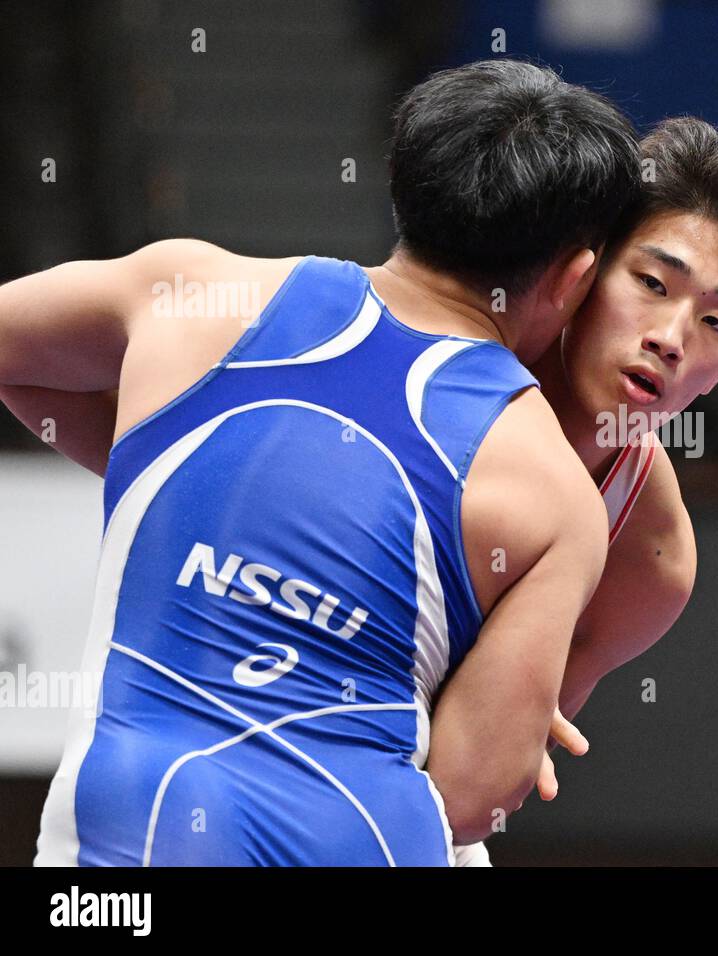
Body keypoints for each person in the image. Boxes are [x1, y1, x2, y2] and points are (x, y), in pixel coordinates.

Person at [0, 58, 640, 865]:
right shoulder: (553, 490)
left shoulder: (192, 290)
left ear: (403, 185)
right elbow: (473, 798)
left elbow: (13, 356)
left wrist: (151, 474)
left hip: (133, 826)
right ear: (577, 276)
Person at [462, 116, 718, 865]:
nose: (673, 338)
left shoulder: (650, 554)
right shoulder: (453, 360)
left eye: (716, 323)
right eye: (653, 284)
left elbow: (486, 779)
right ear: (583, 271)